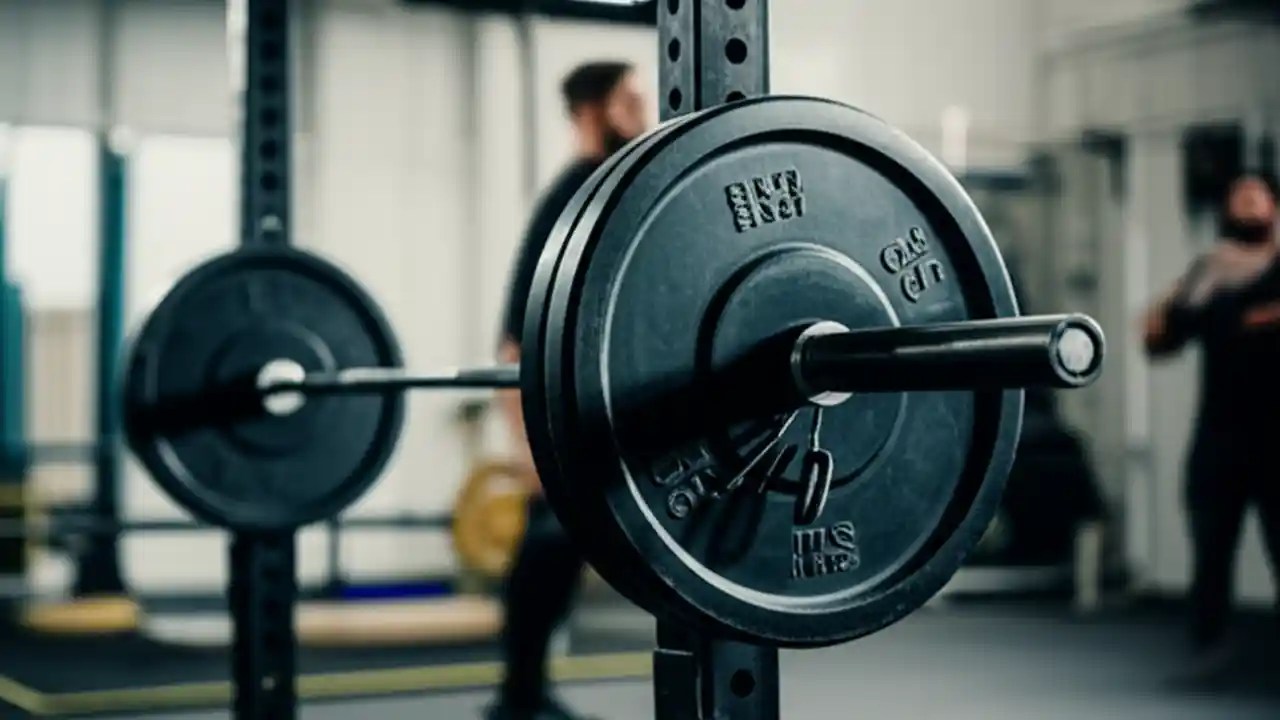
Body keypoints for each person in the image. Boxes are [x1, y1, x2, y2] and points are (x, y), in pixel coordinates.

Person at [487, 60, 649, 720]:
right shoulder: (576, 195)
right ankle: (518, 697)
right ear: (593, 110)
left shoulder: (612, 188)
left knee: (558, 557)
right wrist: (526, 444)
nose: (645, 111)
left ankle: (524, 694)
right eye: (631, 100)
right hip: (563, 420)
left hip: (599, 415)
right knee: (548, 552)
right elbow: (515, 341)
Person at [1143, 172, 1280, 682]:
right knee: (1211, 543)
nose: (1246, 204)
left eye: (1255, 196)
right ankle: (1210, 647)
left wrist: (1236, 313)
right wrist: (1188, 293)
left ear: (1273, 208)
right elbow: (1159, 339)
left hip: (1275, 437)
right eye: (1237, 197)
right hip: (1221, 433)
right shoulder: (1208, 270)